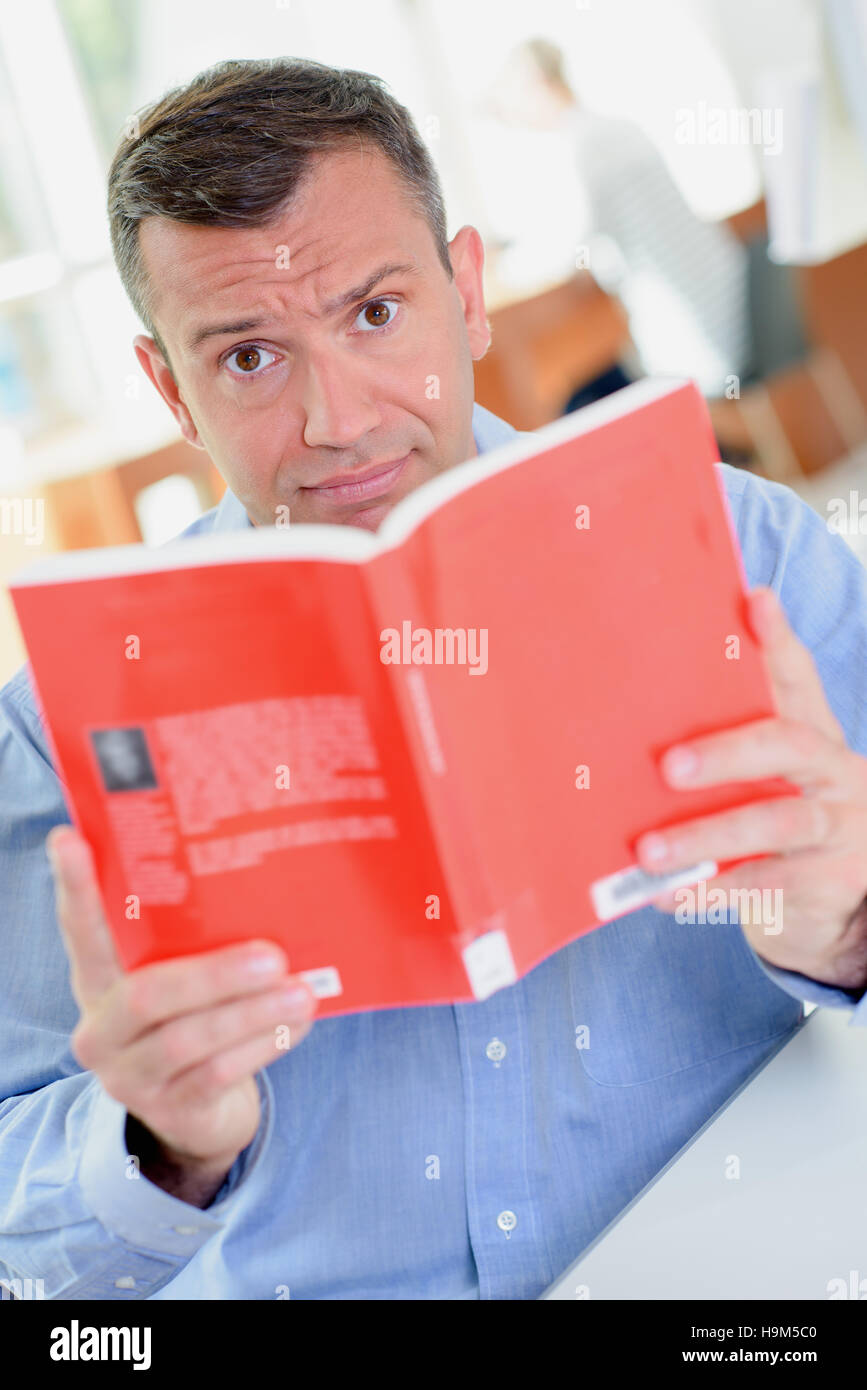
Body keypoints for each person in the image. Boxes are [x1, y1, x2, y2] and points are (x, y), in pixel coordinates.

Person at [1, 57, 866, 1303]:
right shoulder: (56, 731)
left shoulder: (744, 554)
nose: (338, 421)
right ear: (168, 391)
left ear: (466, 293)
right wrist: (161, 1145)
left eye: (372, 314)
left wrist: (848, 921)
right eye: (248, 357)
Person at [490, 38, 753, 408]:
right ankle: (727, 451)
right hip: (743, 316)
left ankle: (713, 452)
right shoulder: (621, 128)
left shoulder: (578, 149)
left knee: (577, 405)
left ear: (536, 84)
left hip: (694, 345)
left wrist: (499, 267)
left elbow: (562, 249)